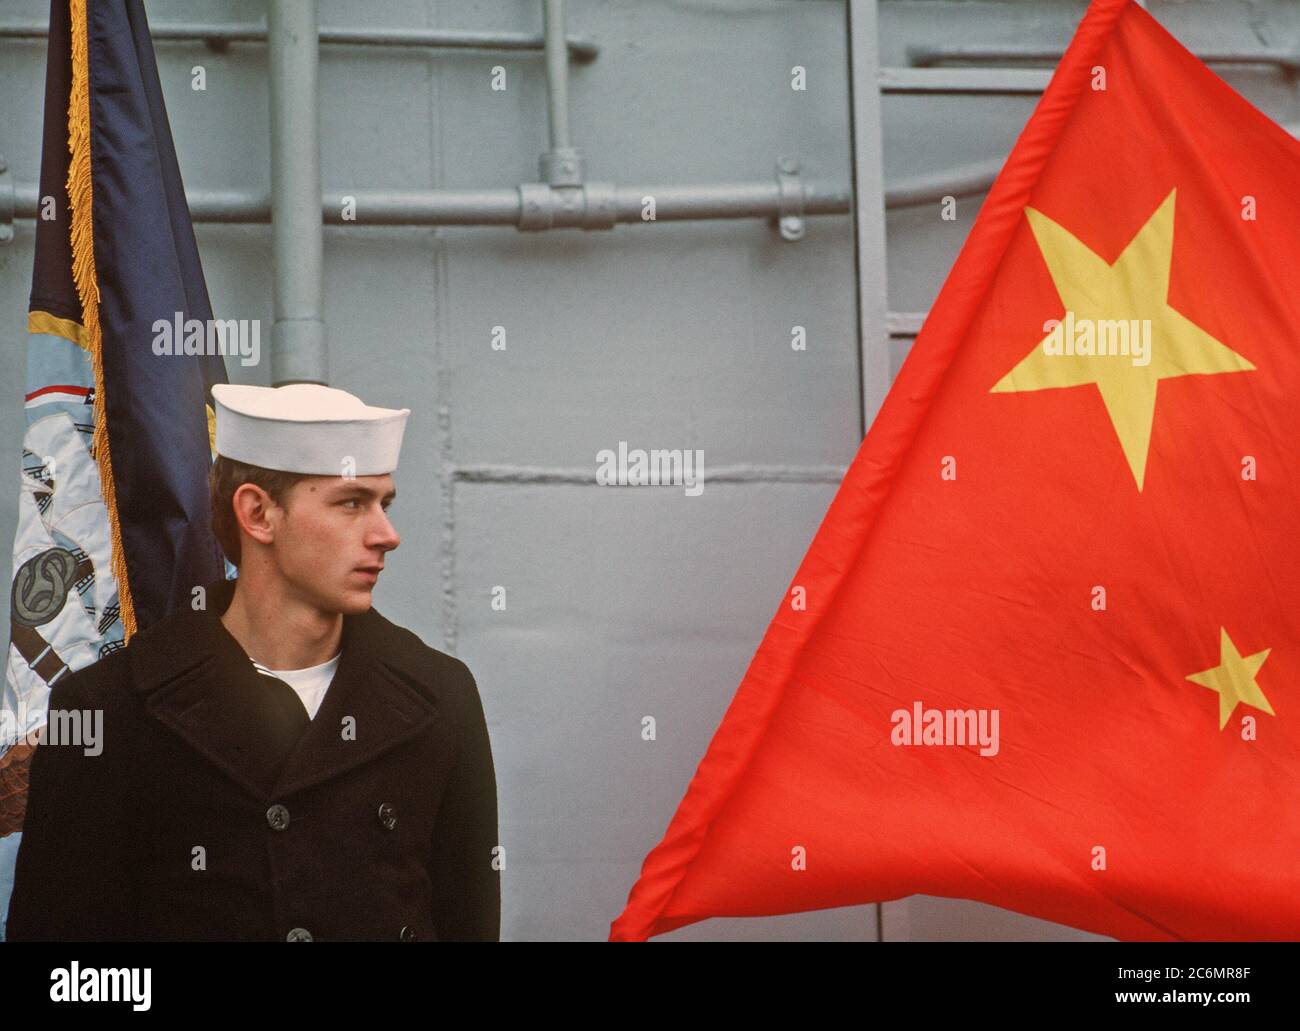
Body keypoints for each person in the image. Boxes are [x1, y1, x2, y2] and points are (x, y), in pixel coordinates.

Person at [5, 383, 500, 941]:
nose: (388, 536)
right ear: (258, 514)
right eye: (351, 504)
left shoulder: (439, 697)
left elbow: (469, 925)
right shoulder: (111, 711)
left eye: (383, 504)